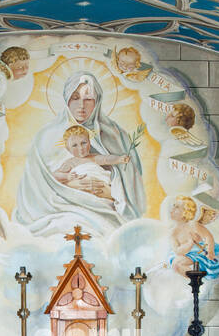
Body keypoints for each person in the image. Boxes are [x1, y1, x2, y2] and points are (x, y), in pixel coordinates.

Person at [15, 71, 145, 236]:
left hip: (105, 207)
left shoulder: (115, 135)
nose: (81, 106)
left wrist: (107, 191)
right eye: (75, 98)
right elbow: (35, 187)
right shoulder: (46, 136)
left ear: (97, 101)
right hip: (58, 209)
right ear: (67, 99)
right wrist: (72, 185)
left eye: (88, 99)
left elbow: (131, 185)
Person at [168, 195, 219, 278]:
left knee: (178, 263)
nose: (172, 209)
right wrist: (189, 244)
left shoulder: (193, 225)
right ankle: (195, 279)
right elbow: (177, 250)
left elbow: (208, 237)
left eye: (177, 207)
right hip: (186, 254)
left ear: (186, 212)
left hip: (201, 253)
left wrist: (210, 251)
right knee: (176, 264)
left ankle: (197, 278)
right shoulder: (173, 232)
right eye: (173, 206)